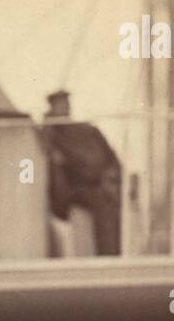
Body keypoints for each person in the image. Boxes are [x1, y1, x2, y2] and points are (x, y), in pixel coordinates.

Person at [40, 89, 122, 256]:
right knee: (103, 204)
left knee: (115, 203)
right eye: (59, 104)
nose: (64, 108)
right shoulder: (53, 134)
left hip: (103, 182)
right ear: (52, 107)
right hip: (76, 188)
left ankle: (116, 255)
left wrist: (109, 178)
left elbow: (113, 160)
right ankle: (108, 258)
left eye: (66, 103)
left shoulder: (89, 131)